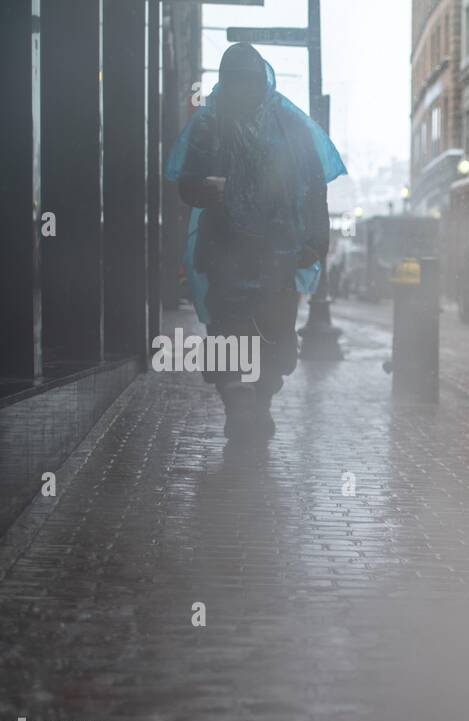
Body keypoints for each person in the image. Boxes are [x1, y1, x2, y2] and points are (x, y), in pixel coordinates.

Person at [166, 43, 345, 440]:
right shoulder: (210, 126)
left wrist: (316, 239)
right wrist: (205, 191)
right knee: (228, 330)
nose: (244, 90)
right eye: (236, 81)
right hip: (227, 251)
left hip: (277, 253)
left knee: (274, 334)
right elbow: (188, 184)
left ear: (261, 80)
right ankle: (239, 399)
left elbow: (315, 187)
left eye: (250, 80)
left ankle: (256, 400)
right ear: (226, 83)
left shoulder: (288, 125)